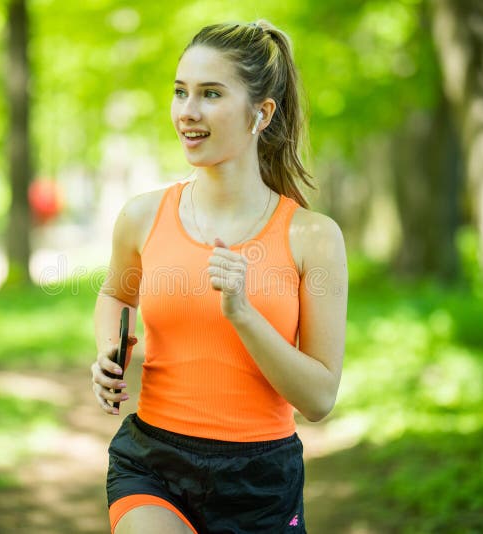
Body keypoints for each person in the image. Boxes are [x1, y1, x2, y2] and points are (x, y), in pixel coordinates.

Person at [91, 20, 347, 534]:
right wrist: (108, 353)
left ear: (261, 113)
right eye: (181, 92)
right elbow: (116, 294)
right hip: (153, 461)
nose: (188, 111)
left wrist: (244, 314)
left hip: (260, 481)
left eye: (211, 94)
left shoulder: (313, 238)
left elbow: (319, 400)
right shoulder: (142, 216)